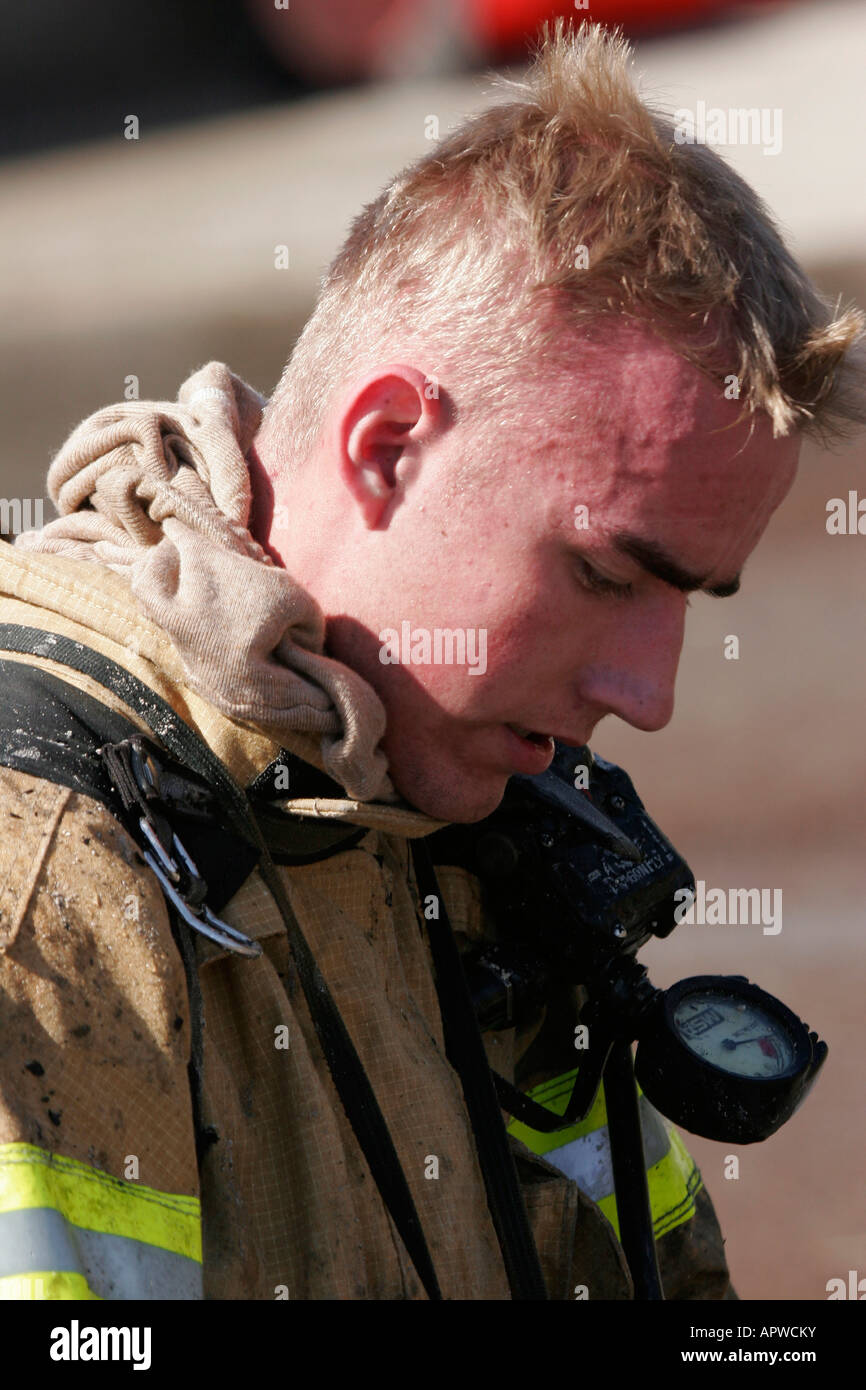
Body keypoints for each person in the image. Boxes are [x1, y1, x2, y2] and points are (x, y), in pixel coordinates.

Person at [0, 21, 862, 1301]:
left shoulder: (469, 821)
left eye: (689, 596)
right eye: (605, 574)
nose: (650, 695)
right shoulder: (45, 871)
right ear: (389, 443)